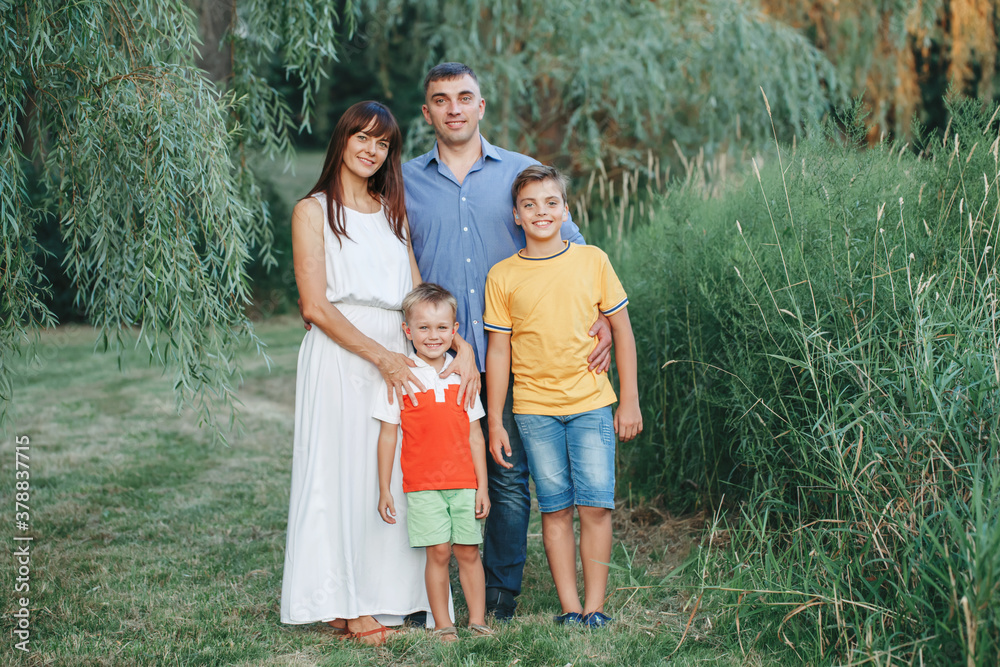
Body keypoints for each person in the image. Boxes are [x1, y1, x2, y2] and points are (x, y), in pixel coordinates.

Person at [402, 62, 613, 622]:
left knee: (508, 470)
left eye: (464, 97)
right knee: (436, 469)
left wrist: (608, 323)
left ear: (481, 106)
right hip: (438, 358)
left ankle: (499, 591)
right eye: (441, 100)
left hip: (517, 354)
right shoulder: (405, 182)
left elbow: (578, 258)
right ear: (427, 113)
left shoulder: (522, 176)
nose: (453, 108)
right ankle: (421, 586)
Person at [280, 100, 476, 645]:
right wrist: (382, 356)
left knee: (390, 474)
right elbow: (315, 306)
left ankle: (382, 597)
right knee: (341, 473)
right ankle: (343, 599)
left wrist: (459, 347)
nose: (371, 149)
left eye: (383, 142)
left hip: (399, 348)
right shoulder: (312, 210)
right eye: (361, 137)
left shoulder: (392, 208)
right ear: (342, 140)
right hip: (344, 353)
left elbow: (416, 294)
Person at [484, 165, 643, 628]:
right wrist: (495, 419)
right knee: (555, 507)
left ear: (566, 210)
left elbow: (623, 331)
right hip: (534, 409)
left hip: (591, 402)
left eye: (551, 203)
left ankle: (596, 607)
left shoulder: (592, 260)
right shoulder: (503, 276)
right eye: (529, 205)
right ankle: (570, 609)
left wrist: (628, 399)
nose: (541, 212)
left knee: (595, 505)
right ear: (516, 215)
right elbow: (498, 352)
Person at [373, 283, 493, 642]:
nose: (432, 335)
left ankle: (478, 620)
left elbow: (476, 436)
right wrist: (383, 489)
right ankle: (443, 624)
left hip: (464, 483)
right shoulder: (401, 377)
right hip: (423, 484)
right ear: (407, 331)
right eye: (423, 327)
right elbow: (388, 436)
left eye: (442, 328)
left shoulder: (463, 377)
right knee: (438, 552)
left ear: (455, 331)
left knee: (468, 551)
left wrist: (482, 487)